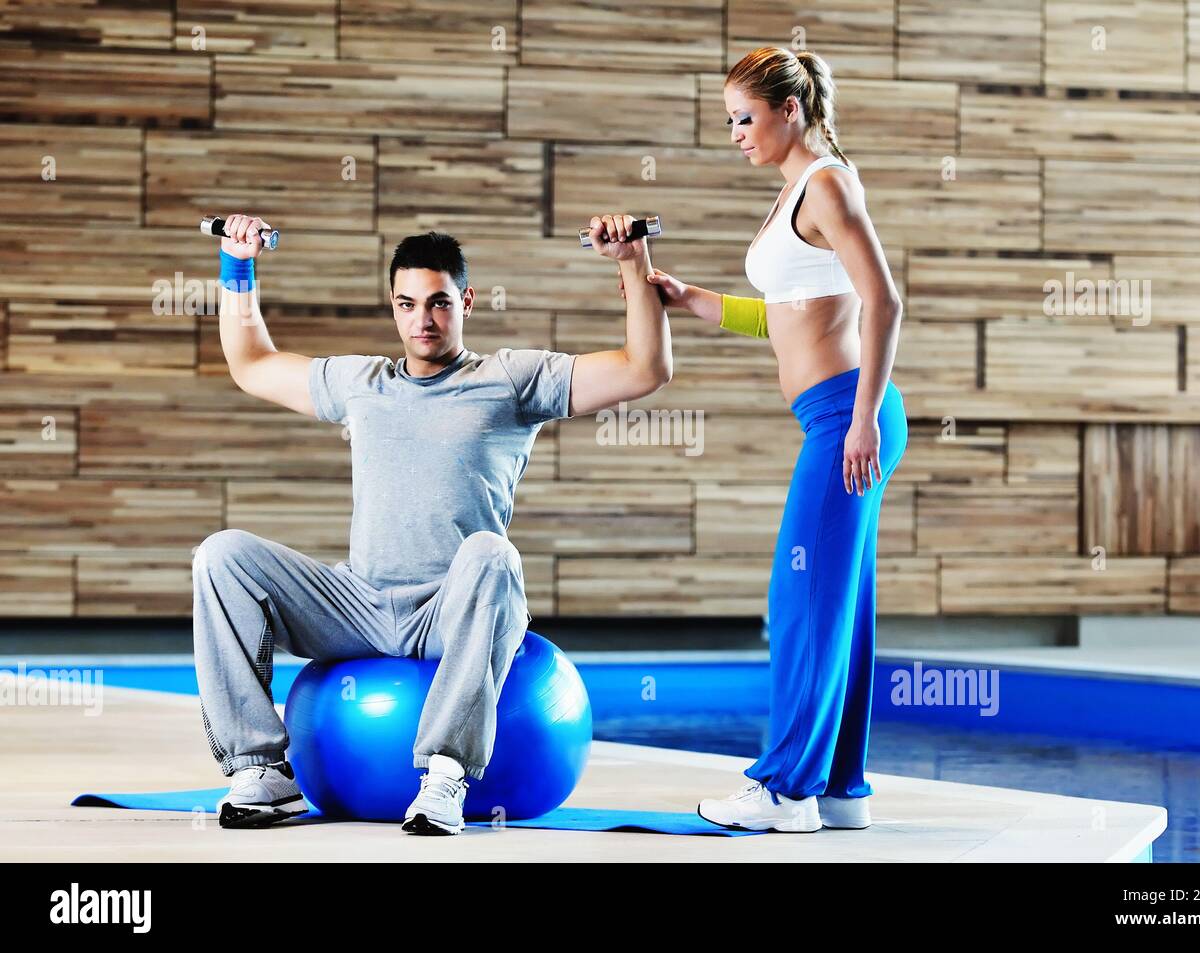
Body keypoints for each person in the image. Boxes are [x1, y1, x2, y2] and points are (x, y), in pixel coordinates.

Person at [194, 211, 669, 834]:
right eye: (408, 304)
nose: (423, 319)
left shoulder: (511, 380)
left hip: (455, 605)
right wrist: (238, 264)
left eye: (440, 303)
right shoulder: (360, 382)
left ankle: (445, 774)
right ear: (393, 308)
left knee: (493, 555)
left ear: (465, 301)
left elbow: (645, 368)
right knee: (222, 555)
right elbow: (251, 363)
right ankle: (261, 769)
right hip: (359, 602)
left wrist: (634, 265)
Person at [624, 47, 908, 832]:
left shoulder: (827, 185)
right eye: (729, 122)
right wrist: (689, 297)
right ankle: (841, 786)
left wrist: (860, 419)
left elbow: (885, 302)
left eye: (745, 119)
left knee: (802, 600)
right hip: (839, 413)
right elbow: (780, 314)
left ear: (790, 111)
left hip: (849, 415)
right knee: (839, 608)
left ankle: (785, 790)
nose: (736, 135)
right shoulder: (796, 193)